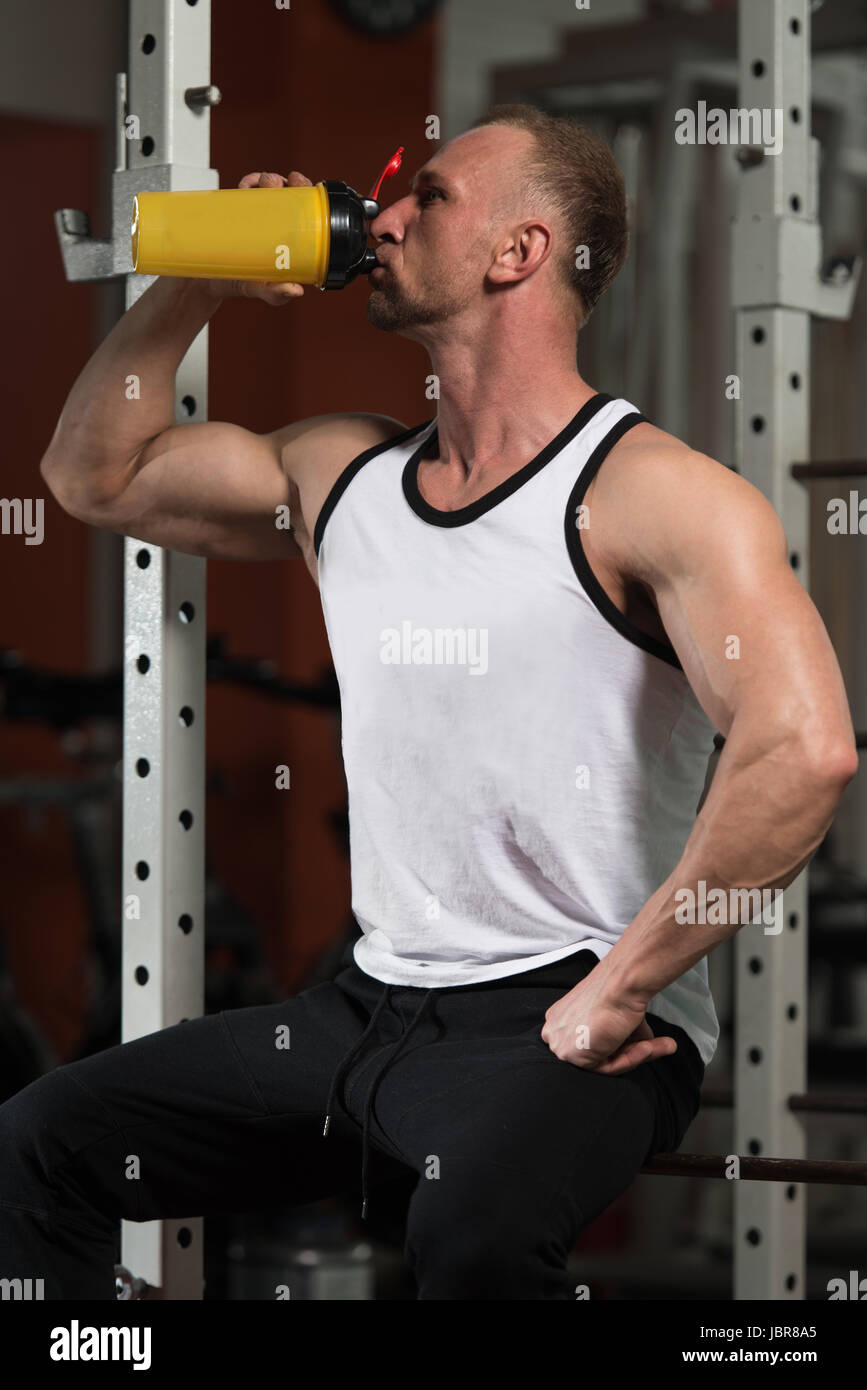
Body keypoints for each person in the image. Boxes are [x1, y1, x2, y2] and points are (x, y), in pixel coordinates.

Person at [1, 104, 857, 1301]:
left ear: (519, 252)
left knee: (473, 1242)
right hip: (370, 1002)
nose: (382, 216)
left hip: (569, 1016)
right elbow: (90, 475)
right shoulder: (342, 470)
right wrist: (190, 283)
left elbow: (805, 750)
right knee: (42, 1142)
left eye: (430, 197)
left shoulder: (657, 496)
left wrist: (622, 984)